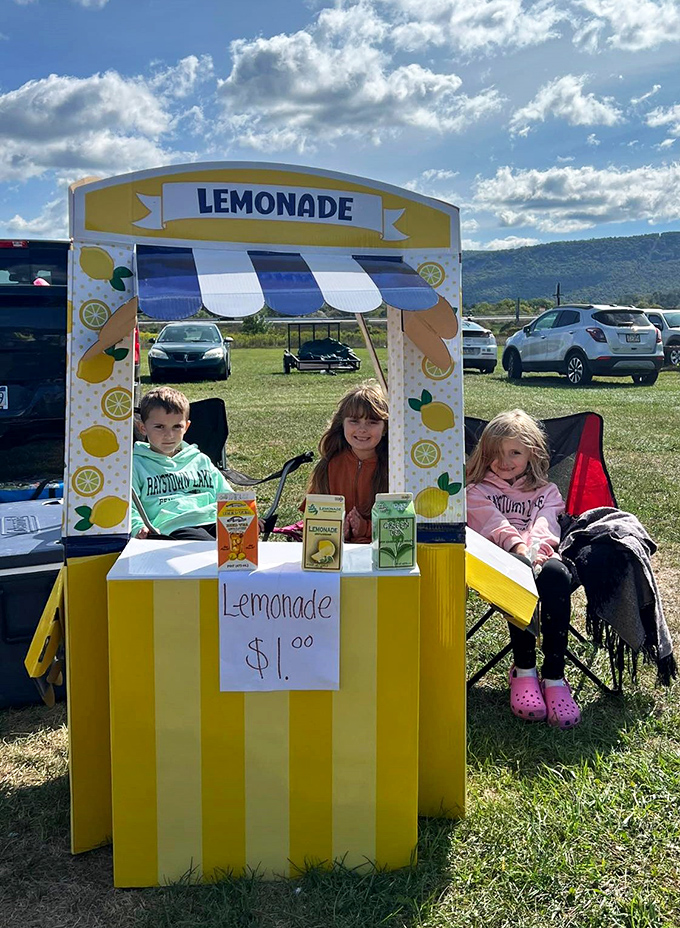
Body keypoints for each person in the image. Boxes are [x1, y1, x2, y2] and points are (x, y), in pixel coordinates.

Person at [466, 409, 580, 729]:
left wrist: (540, 554)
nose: (505, 461)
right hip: (502, 560)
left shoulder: (548, 492)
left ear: (532, 452)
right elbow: (493, 523)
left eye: (514, 452)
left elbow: (547, 525)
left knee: (557, 575)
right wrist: (519, 550)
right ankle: (524, 670)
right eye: (496, 454)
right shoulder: (476, 491)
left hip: (543, 557)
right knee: (518, 569)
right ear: (484, 455)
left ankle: (555, 677)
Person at [131, 386, 232, 540]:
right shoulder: (136, 465)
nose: (169, 435)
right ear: (142, 428)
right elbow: (128, 507)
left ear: (187, 427)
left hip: (215, 519)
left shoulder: (200, 460)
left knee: (242, 541)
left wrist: (244, 514)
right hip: (174, 526)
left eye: (177, 427)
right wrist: (137, 526)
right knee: (210, 547)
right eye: (159, 427)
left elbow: (227, 495)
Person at [306, 381, 389, 544]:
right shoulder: (329, 465)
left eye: (372, 422)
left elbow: (401, 524)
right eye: (354, 421)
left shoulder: (393, 469)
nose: (362, 429)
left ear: (385, 428)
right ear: (342, 423)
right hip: (333, 550)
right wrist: (333, 529)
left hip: (378, 550)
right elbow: (312, 515)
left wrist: (365, 528)